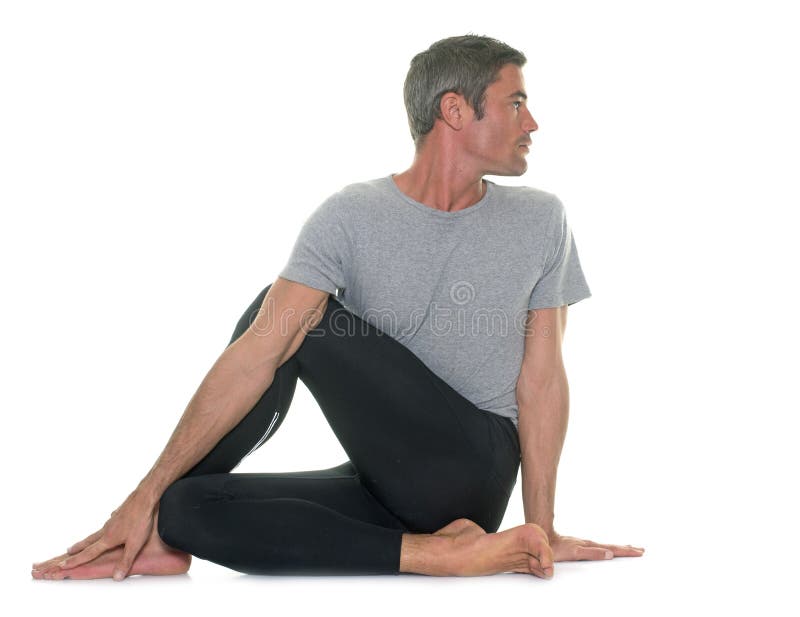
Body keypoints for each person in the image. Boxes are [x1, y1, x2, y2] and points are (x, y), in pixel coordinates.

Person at [31, 34, 644, 581]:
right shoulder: (352, 216)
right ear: (454, 110)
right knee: (188, 508)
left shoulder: (541, 220)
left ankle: (448, 546)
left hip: (474, 465)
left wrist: (544, 528)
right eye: (516, 102)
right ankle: (430, 552)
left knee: (288, 318)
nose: (532, 121)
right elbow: (255, 360)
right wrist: (149, 495)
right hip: (386, 480)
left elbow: (541, 380)